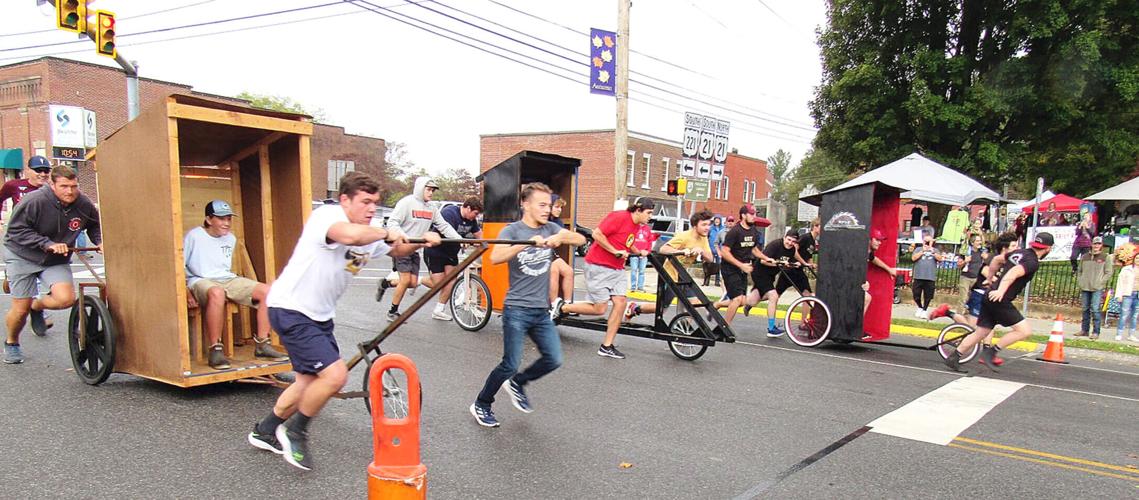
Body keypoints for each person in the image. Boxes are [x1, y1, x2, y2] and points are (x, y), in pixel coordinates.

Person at [247, 172, 435, 470]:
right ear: (345, 200)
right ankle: (296, 431)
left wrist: (420, 243)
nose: (372, 208)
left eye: (375, 202)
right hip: (292, 309)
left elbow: (396, 249)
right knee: (334, 377)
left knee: (309, 381)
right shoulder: (327, 216)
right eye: (365, 202)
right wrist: (385, 233)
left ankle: (265, 430)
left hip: (319, 316)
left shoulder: (368, 230)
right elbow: (349, 236)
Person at [470, 182, 583, 427]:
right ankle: (482, 403)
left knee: (554, 359)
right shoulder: (512, 231)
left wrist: (561, 236)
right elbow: (495, 257)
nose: (547, 209)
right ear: (525, 204)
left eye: (549, 205)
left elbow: (580, 238)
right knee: (509, 363)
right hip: (516, 310)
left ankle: (519, 383)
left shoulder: (551, 227)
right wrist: (527, 243)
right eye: (541, 205)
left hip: (541, 312)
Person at [3, 166, 100, 364]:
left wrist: (99, 241)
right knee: (20, 309)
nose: (70, 191)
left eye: (74, 186)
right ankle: (12, 342)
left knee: (65, 299)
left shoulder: (82, 203)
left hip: (55, 260)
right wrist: (47, 244)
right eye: (64, 186)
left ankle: (36, 306)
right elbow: (16, 231)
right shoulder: (35, 201)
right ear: (52, 185)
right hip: (23, 254)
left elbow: (94, 224)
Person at [184, 200, 289, 369]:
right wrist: (186, 292)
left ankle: (262, 344)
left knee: (269, 291)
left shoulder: (230, 238)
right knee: (217, 292)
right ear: (209, 220)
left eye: (228, 219)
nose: (226, 223)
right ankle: (215, 349)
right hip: (199, 279)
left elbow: (224, 271)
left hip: (227, 279)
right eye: (221, 219)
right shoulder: (194, 236)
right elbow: (180, 266)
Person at [554, 197, 655, 359]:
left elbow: (626, 243)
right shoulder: (619, 217)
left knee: (621, 302)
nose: (650, 216)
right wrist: (614, 250)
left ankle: (606, 346)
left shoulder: (637, 225)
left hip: (617, 268)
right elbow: (597, 234)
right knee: (599, 309)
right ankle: (563, 308)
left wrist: (639, 251)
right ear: (638, 210)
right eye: (649, 213)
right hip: (598, 266)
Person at [944, 232, 1054, 372]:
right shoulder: (1032, 262)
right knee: (1024, 330)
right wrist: (1001, 291)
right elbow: (1013, 273)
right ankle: (991, 352)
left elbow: (996, 260)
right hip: (999, 299)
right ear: (1048, 249)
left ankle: (954, 357)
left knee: (982, 332)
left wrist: (990, 279)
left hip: (989, 294)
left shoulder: (1019, 253)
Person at [377, 177, 462, 320]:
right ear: (420, 188)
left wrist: (459, 239)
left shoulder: (432, 208)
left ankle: (386, 283)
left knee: (411, 282)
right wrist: (404, 237)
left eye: (433, 190)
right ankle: (392, 311)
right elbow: (393, 222)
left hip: (415, 249)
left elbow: (443, 226)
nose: (431, 193)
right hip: (402, 247)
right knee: (405, 280)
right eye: (428, 189)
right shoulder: (406, 203)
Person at [929, 232, 1020, 365]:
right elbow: (985, 272)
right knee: (974, 328)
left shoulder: (1009, 261)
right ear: (1004, 248)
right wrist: (1000, 282)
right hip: (980, 294)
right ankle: (947, 312)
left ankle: (986, 353)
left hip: (991, 296)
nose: (1016, 249)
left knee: (989, 325)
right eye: (1013, 246)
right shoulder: (993, 258)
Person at [624, 210, 714, 320]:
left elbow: (710, 258)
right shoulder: (684, 237)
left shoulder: (703, 238)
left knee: (693, 303)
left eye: (709, 224)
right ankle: (635, 307)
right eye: (704, 225)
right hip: (670, 274)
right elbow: (663, 249)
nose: (707, 228)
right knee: (662, 307)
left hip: (683, 274)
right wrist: (682, 251)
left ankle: (683, 327)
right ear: (695, 225)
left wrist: (701, 251)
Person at [420, 197, 482, 321]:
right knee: (438, 284)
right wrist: (462, 240)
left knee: (450, 281)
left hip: (451, 252)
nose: (474, 217)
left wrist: (486, 242)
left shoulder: (471, 220)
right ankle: (419, 280)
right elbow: (448, 231)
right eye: (474, 213)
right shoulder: (449, 212)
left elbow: (480, 235)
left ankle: (439, 310)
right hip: (436, 251)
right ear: (468, 208)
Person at [711, 204, 770, 325]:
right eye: (751, 214)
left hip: (742, 269)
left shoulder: (753, 230)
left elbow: (753, 249)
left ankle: (717, 304)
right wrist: (741, 265)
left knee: (742, 301)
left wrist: (766, 258)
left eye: (755, 214)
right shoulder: (735, 231)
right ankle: (724, 327)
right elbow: (724, 251)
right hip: (729, 268)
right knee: (737, 299)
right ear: (743, 215)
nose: (754, 216)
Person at [750, 229, 802, 337]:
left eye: (793, 241)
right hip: (760, 272)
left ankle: (731, 303)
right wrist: (779, 263)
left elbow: (787, 262)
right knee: (774, 296)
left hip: (770, 275)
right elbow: (763, 261)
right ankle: (771, 328)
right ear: (784, 237)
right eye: (788, 240)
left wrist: (795, 264)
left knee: (751, 300)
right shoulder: (775, 245)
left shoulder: (792, 250)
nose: (790, 243)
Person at [1076, 236, 1112, 339]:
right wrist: (1081, 281)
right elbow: (1080, 270)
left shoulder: (1106, 257)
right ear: (1091, 244)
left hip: (1097, 287)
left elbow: (1108, 272)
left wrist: (1101, 282)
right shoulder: (1085, 256)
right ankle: (1084, 330)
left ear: (1101, 245)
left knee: (1095, 309)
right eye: (1095, 243)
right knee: (1085, 309)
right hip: (1085, 286)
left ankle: (1096, 331)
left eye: (1099, 244)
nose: (1096, 246)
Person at [546, 195, 574, 305]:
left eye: (561, 207)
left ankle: (567, 304)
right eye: (557, 207)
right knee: (554, 271)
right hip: (539, 254)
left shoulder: (558, 222)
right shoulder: (543, 219)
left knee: (568, 271)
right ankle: (553, 305)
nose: (559, 210)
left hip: (551, 252)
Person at [909, 235, 945, 319]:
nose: (927, 243)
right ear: (923, 242)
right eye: (926, 241)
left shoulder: (935, 250)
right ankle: (920, 307)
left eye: (929, 241)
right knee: (916, 294)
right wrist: (922, 251)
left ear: (932, 242)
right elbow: (913, 258)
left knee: (928, 295)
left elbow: (940, 259)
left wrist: (932, 252)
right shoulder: (918, 249)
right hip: (918, 276)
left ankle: (925, 309)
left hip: (930, 276)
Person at [784, 218, 820, 297]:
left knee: (807, 295)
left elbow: (809, 255)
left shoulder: (813, 241)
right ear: (815, 227)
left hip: (799, 270)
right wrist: (801, 262)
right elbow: (794, 249)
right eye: (821, 226)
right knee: (775, 294)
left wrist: (811, 264)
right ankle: (752, 301)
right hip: (791, 268)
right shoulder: (805, 237)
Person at [1112, 250, 1139, 342]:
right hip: (1128, 294)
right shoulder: (1127, 269)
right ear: (1134, 259)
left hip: (1137, 295)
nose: (1138, 260)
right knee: (1124, 315)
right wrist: (1119, 295)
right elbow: (1120, 282)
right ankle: (1119, 333)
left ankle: (1131, 334)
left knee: (1135, 315)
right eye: (1137, 258)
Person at [957, 235, 987, 314]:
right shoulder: (966, 252)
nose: (979, 242)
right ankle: (959, 316)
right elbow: (959, 265)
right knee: (963, 298)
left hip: (977, 278)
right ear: (972, 242)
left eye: (980, 241)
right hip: (966, 278)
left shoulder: (982, 253)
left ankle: (968, 316)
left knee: (972, 298)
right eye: (977, 241)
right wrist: (965, 261)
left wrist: (985, 258)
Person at [628, 222, 655, 292]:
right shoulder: (633, 227)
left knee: (642, 271)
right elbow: (630, 240)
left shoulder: (647, 229)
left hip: (644, 254)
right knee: (633, 270)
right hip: (634, 253)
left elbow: (650, 241)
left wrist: (648, 251)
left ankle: (640, 287)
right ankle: (633, 287)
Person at [703, 216, 723, 287]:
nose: (717, 221)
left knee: (718, 266)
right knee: (709, 266)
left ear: (720, 221)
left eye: (718, 220)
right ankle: (706, 281)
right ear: (714, 221)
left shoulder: (722, 229)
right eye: (716, 220)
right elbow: (706, 237)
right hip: (711, 249)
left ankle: (717, 281)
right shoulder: (710, 228)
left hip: (719, 250)